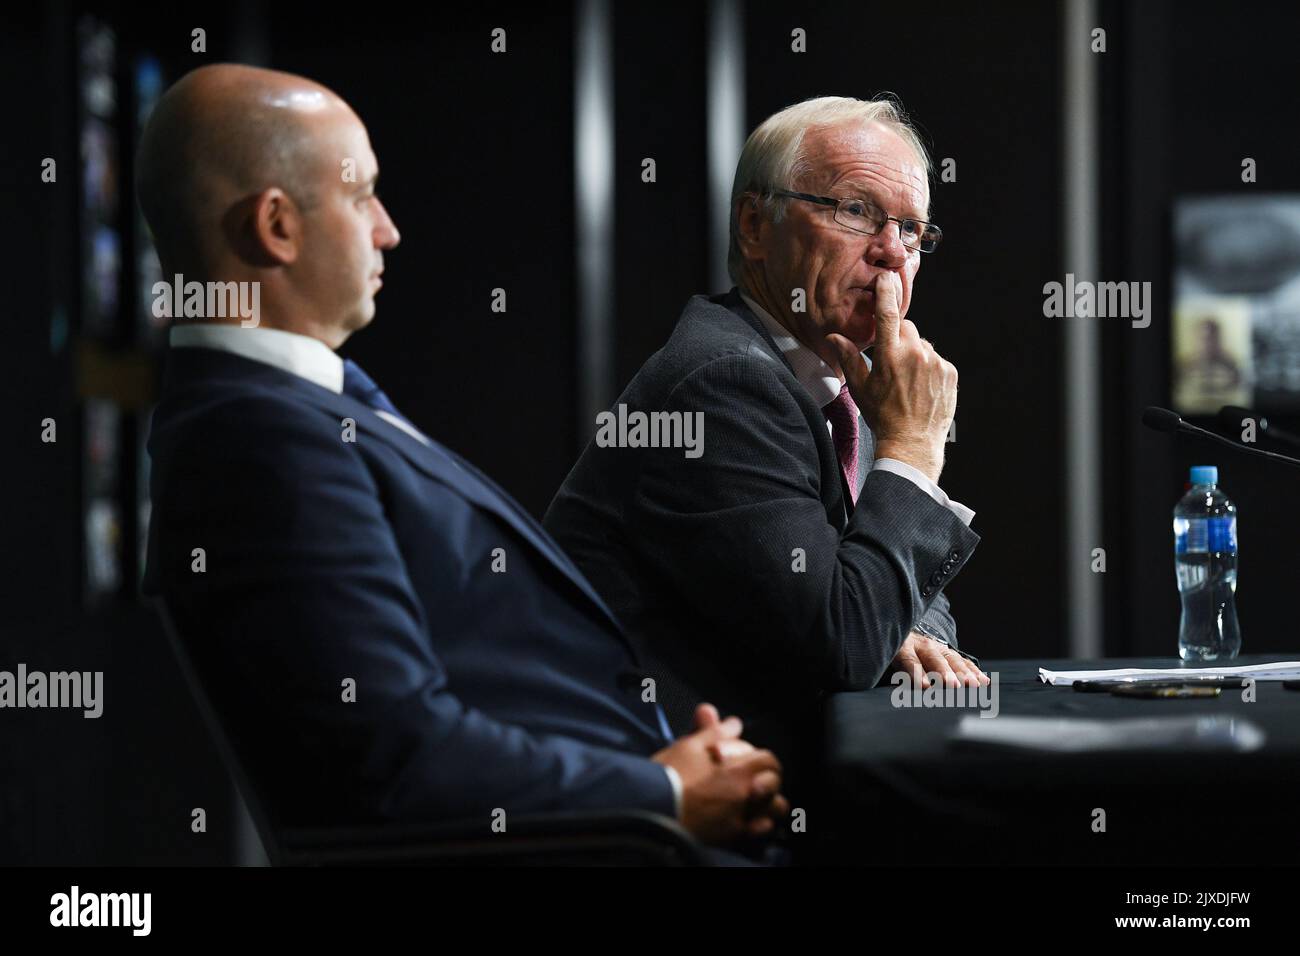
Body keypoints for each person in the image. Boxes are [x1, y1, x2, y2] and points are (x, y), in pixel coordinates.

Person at [138, 64, 785, 854]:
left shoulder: (300, 409)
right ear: (275, 226)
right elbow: (395, 753)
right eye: (360, 195)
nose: (387, 228)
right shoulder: (255, 440)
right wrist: (669, 791)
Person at [544, 96, 987, 777]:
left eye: (912, 229)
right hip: (667, 813)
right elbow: (843, 643)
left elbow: (908, 585)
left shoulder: (832, 373)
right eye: (856, 210)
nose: (892, 252)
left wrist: (912, 627)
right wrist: (914, 451)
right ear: (756, 225)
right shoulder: (723, 384)